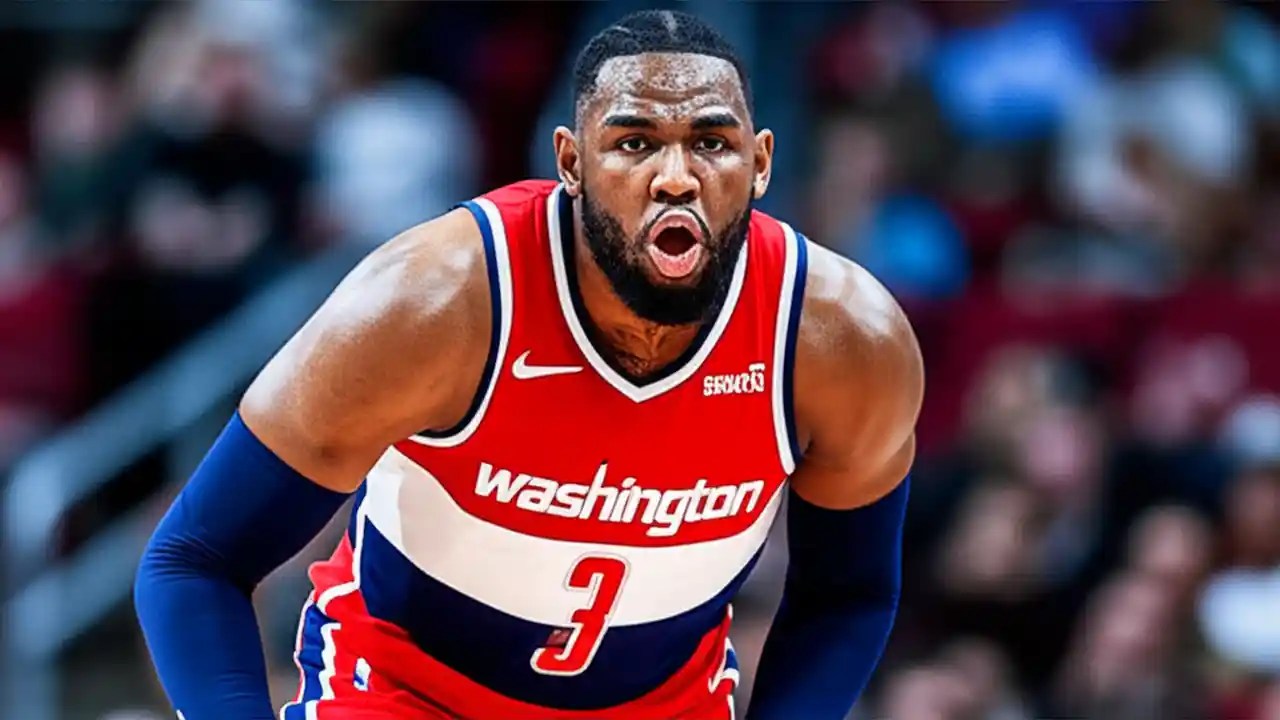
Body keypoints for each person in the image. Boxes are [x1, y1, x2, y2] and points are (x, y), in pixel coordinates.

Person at [134, 10, 923, 720]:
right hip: (405, 694)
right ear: (571, 164)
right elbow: (196, 559)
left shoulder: (839, 338)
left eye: (710, 143)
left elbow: (848, 594)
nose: (676, 178)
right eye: (635, 143)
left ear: (760, 164)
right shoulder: (434, 303)